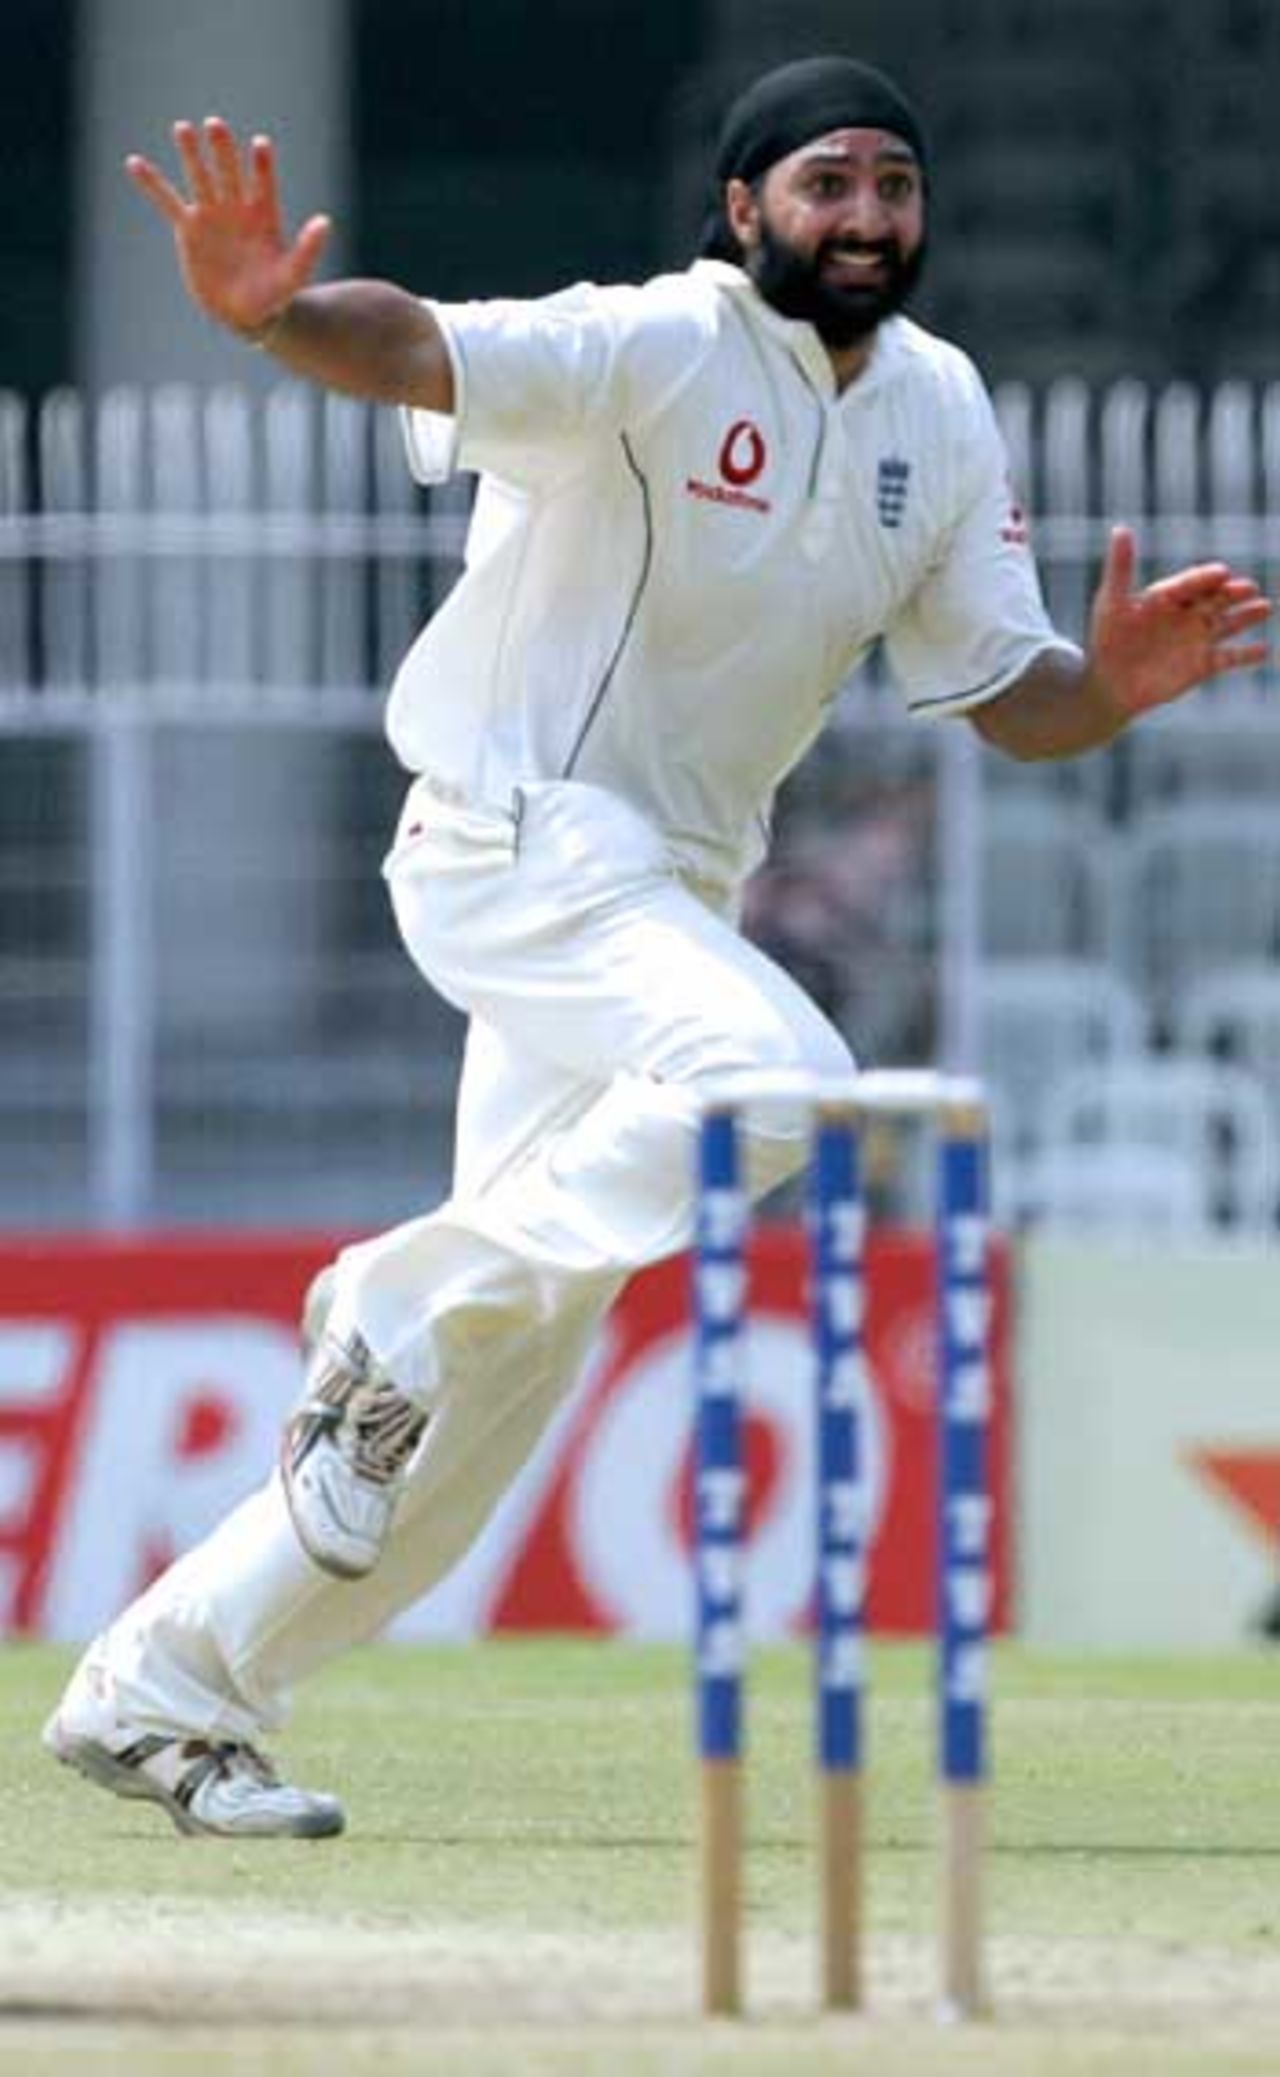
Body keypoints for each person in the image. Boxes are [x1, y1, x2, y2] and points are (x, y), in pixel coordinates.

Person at [44, 57, 1270, 1837]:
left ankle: (163, 1688)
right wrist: (276, 315)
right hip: (511, 825)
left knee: (502, 1392)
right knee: (781, 1083)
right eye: (828, 183)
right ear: (743, 208)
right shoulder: (655, 344)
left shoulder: (939, 406)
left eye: (895, 187)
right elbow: (420, 350)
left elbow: (1009, 691)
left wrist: (1115, 693)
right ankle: (386, 1313)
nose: (866, 216)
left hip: (665, 893)